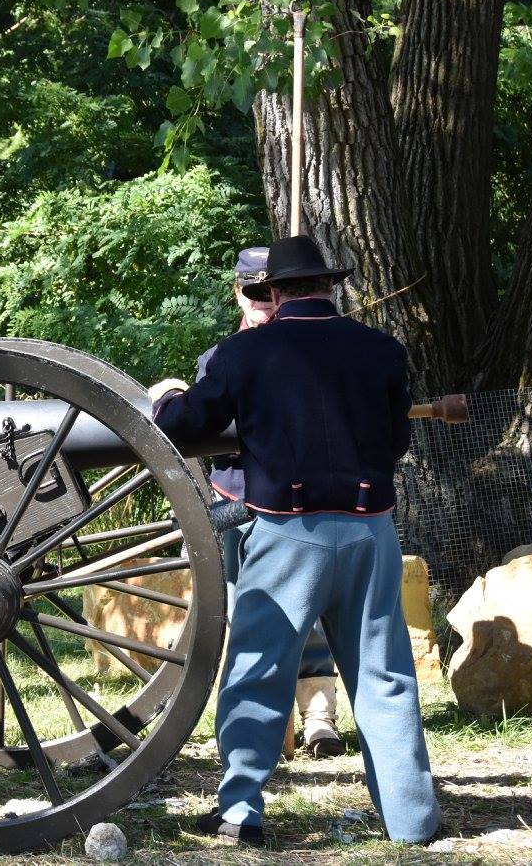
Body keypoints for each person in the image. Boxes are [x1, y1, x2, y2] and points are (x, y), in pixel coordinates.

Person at [150, 236, 440, 847]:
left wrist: (170, 398)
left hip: (287, 532)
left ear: (274, 293)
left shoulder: (245, 353)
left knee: (258, 669)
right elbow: (395, 443)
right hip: (371, 529)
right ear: (331, 287)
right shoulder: (382, 351)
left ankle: (240, 812)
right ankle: (412, 820)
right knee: (385, 675)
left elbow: (183, 426)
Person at [202, 246, 346, 759]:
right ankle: (261, 731)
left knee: (310, 614)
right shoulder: (218, 357)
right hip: (239, 502)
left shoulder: (309, 350)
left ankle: (319, 715)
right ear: (238, 294)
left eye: (271, 292)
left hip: (299, 504)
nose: (263, 303)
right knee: (250, 614)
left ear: (284, 292)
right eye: (252, 292)